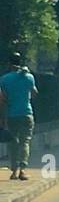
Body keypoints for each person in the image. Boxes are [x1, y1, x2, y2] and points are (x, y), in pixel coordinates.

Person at [0, 51, 38, 181]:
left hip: (11, 115)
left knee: (13, 142)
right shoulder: (29, 77)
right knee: (25, 141)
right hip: (27, 113)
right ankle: (23, 170)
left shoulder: (4, 79)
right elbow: (34, 93)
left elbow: (2, 99)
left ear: (9, 63)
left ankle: (14, 171)